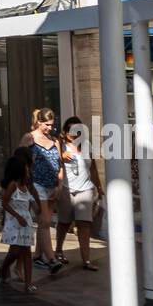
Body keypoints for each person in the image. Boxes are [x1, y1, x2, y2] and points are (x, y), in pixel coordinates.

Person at [55, 116, 103, 270]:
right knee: (64, 223)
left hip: (85, 189)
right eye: (69, 129)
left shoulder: (87, 145)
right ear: (65, 131)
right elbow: (52, 163)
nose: (73, 133)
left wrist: (99, 186)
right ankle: (58, 251)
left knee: (84, 225)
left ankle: (86, 260)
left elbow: (93, 168)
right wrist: (61, 157)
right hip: (66, 190)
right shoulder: (60, 146)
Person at [20, 107, 63, 273]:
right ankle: (51, 258)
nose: (49, 128)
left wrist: (59, 185)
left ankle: (38, 256)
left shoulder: (55, 141)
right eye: (46, 124)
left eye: (51, 125)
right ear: (39, 122)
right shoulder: (29, 138)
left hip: (51, 185)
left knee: (43, 222)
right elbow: (20, 159)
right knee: (44, 222)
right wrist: (25, 182)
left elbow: (60, 165)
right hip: (36, 185)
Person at [0, 148, 39, 294]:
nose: (29, 171)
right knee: (15, 251)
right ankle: (4, 267)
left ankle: (28, 283)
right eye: (26, 169)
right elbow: (4, 203)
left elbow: (33, 203)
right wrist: (17, 216)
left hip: (26, 222)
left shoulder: (26, 187)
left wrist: (37, 208)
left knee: (27, 252)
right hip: (14, 222)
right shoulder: (13, 185)